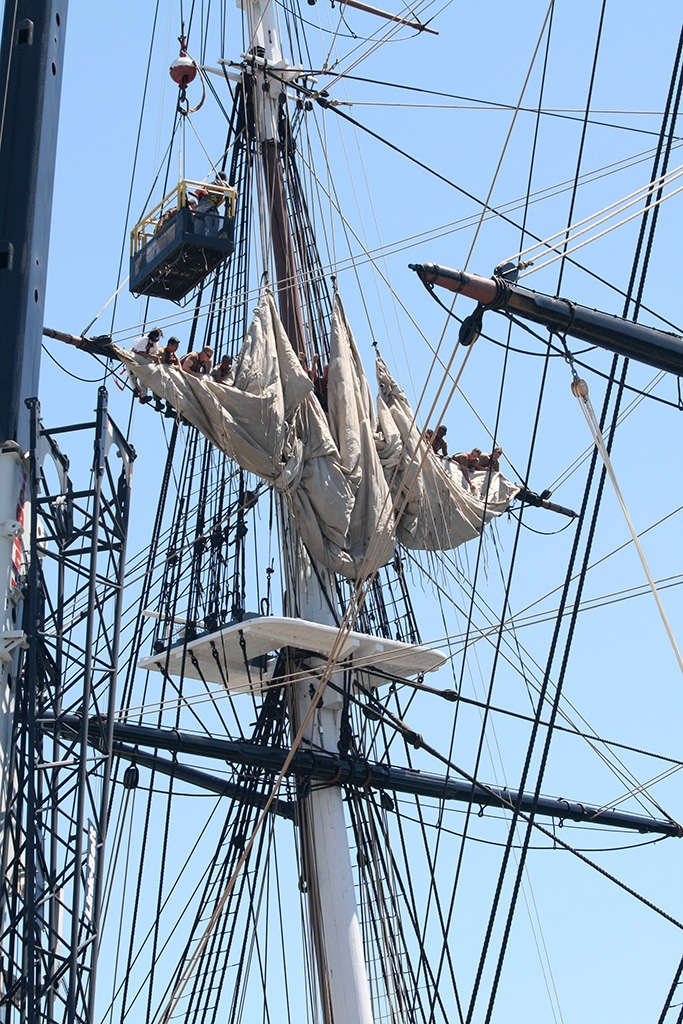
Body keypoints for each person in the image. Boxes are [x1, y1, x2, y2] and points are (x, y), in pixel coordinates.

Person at [130, 328, 163, 402]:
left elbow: (154, 353)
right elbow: (139, 352)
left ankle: (143, 395)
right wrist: (151, 357)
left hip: (145, 359)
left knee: (146, 374)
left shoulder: (154, 343)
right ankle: (136, 389)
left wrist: (157, 359)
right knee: (147, 366)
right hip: (136, 357)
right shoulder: (145, 340)